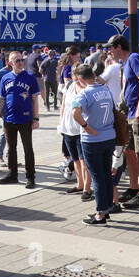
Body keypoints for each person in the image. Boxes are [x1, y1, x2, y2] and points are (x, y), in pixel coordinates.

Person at [107, 34, 139, 210]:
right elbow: (129, 88)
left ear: (118, 47)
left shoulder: (134, 58)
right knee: (129, 150)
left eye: (110, 48)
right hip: (131, 112)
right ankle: (133, 187)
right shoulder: (126, 63)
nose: (109, 52)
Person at [71, 64, 117, 225]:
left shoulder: (84, 93)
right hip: (109, 136)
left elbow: (75, 113)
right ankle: (108, 207)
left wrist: (86, 127)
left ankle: (100, 213)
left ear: (81, 79)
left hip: (93, 139)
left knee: (97, 177)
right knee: (106, 174)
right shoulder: (105, 89)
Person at [0, 52, 40, 189]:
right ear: (10, 62)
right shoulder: (5, 78)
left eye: (21, 60)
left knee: (28, 148)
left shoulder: (30, 77)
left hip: (25, 118)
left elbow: (35, 100)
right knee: (11, 148)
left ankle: (30, 177)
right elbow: (0, 100)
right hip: (9, 119)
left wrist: (36, 118)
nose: (20, 62)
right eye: (17, 60)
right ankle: (12, 174)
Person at [59, 63, 90, 198]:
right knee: (75, 160)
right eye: (72, 73)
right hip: (68, 129)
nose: (73, 76)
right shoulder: (70, 86)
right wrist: (61, 124)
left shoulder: (86, 89)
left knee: (84, 161)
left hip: (81, 130)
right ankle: (80, 184)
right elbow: (64, 106)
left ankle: (87, 189)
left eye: (76, 73)